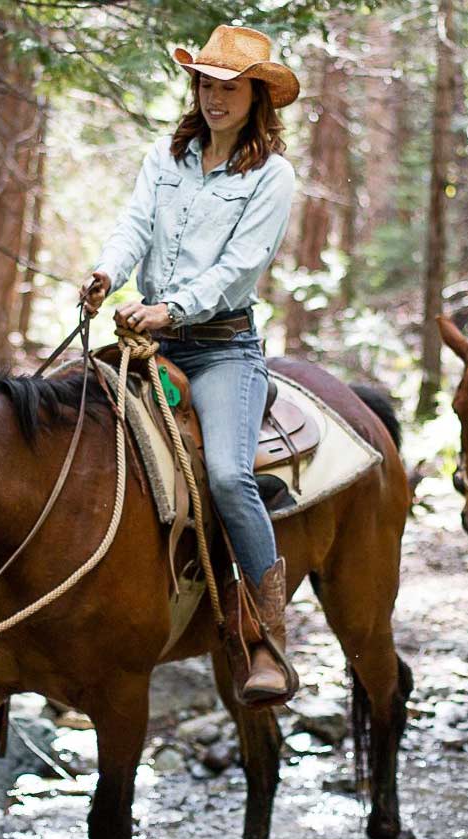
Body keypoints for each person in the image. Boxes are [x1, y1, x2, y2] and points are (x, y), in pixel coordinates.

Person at [79, 25, 301, 704]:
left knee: (230, 476)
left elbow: (240, 269)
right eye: (206, 84)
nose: (214, 98)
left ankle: (265, 638)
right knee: (57, 423)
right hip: (148, 339)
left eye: (228, 87)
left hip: (219, 349)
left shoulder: (271, 175)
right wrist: (106, 271)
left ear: (254, 95)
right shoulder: (166, 157)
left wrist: (170, 310)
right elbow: (134, 226)